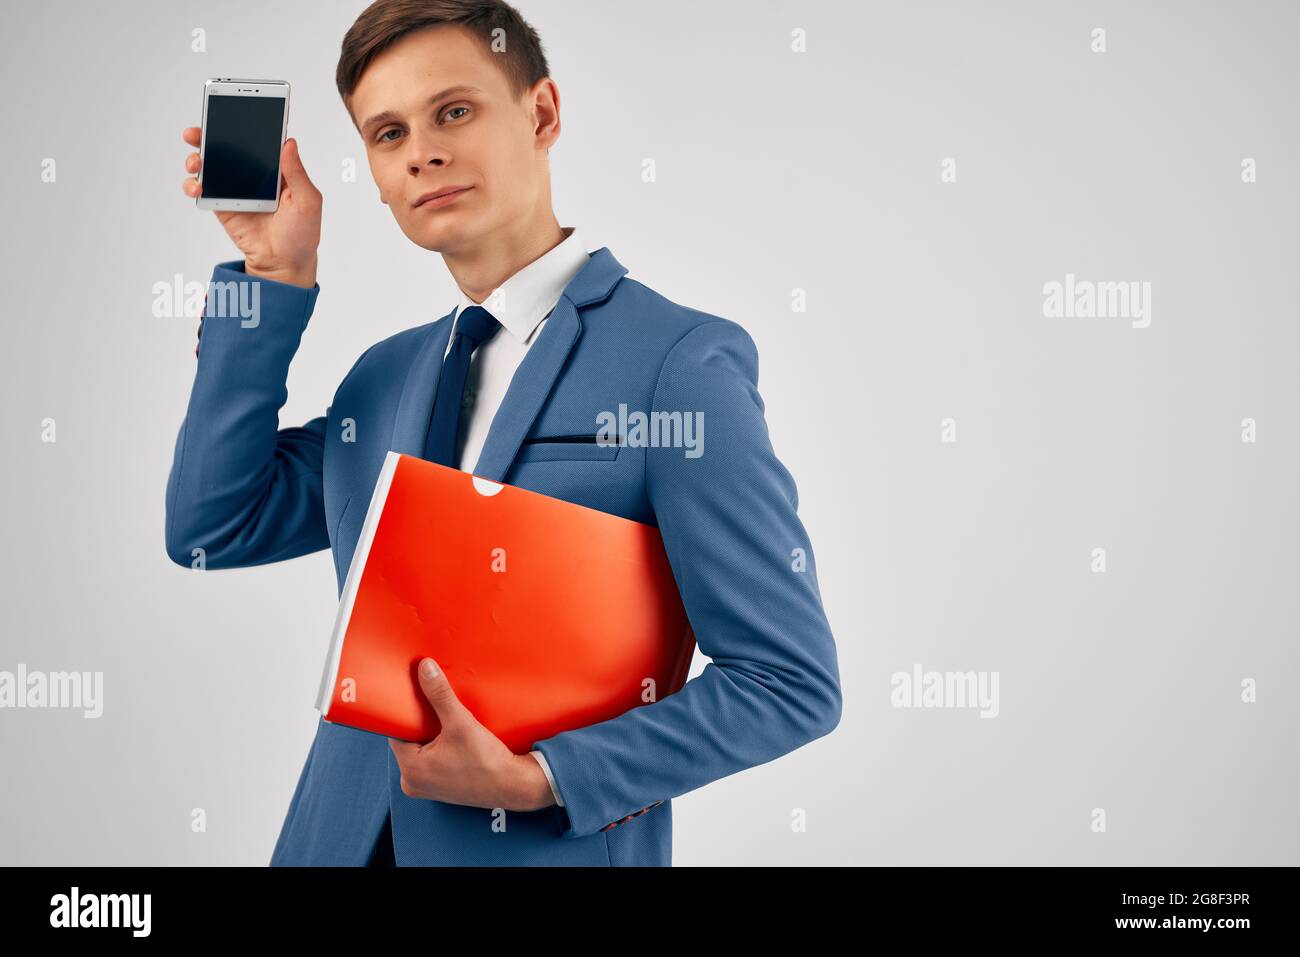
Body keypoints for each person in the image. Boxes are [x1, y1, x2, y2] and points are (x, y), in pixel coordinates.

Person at [166, 0, 841, 867]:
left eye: (454, 111)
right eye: (387, 133)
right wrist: (271, 277)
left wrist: (541, 776)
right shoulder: (382, 378)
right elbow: (210, 529)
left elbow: (790, 682)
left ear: (542, 113)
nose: (422, 152)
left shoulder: (677, 365)